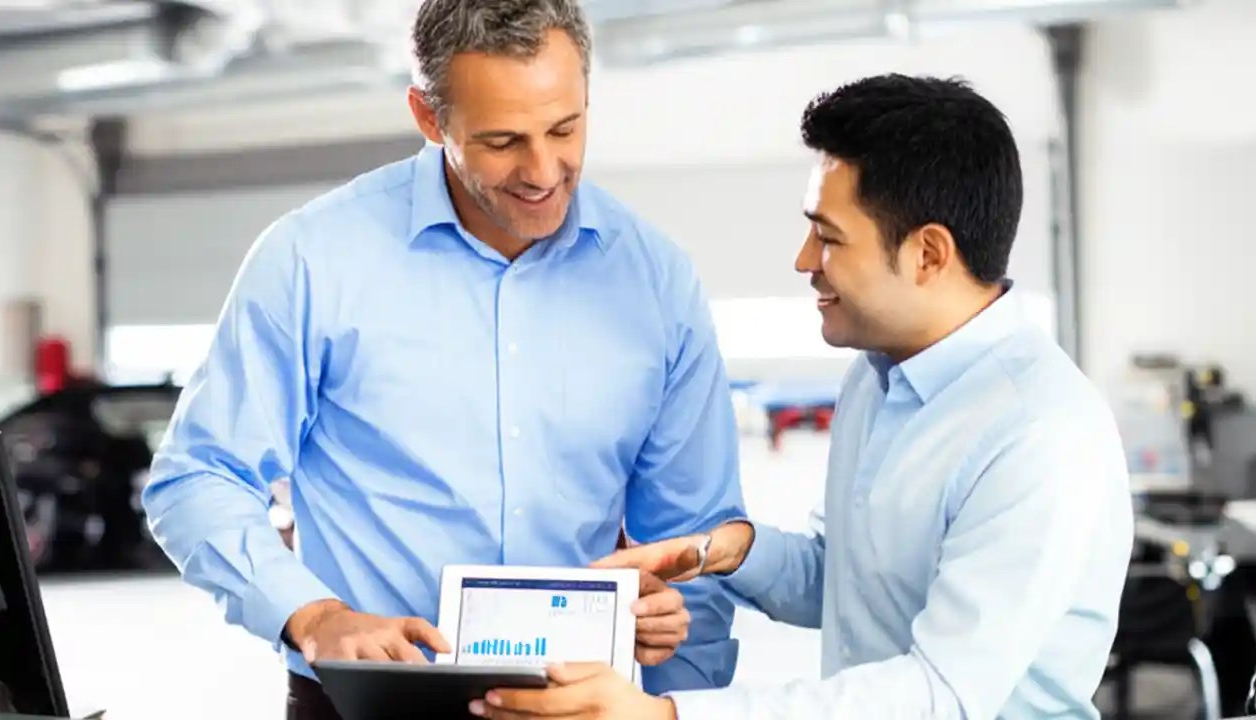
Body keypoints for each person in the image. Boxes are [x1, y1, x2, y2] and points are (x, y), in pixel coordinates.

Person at [141, 1, 746, 717]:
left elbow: (693, 534)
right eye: (501, 141)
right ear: (429, 118)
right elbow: (199, 476)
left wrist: (678, 662)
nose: (543, 170)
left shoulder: (656, 280)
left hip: (579, 707)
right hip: (366, 705)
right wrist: (314, 614)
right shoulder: (312, 259)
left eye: (565, 128)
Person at [472, 74, 1134, 719]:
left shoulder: (1039, 432)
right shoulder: (878, 378)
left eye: (829, 236)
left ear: (928, 254)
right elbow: (848, 581)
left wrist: (666, 714)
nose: (802, 258)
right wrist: (722, 550)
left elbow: (942, 696)